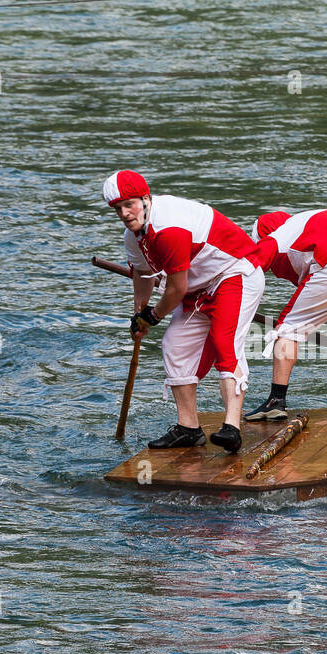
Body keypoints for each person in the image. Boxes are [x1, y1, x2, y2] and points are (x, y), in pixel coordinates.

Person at [104, 169, 264, 453]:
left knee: (225, 343)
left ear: (145, 198)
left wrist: (152, 317)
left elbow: (176, 288)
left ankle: (232, 428)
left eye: (129, 205)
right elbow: (142, 276)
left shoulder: (169, 228)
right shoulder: (133, 238)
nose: (125, 214)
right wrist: (138, 315)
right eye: (118, 209)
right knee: (173, 344)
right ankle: (189, 428)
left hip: (234, 273)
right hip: (197, 287)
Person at [244, 208, 327, 420]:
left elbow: (255, 267)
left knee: (289, 329)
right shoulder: (303, 222)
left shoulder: (277, 241)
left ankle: (276, 401)